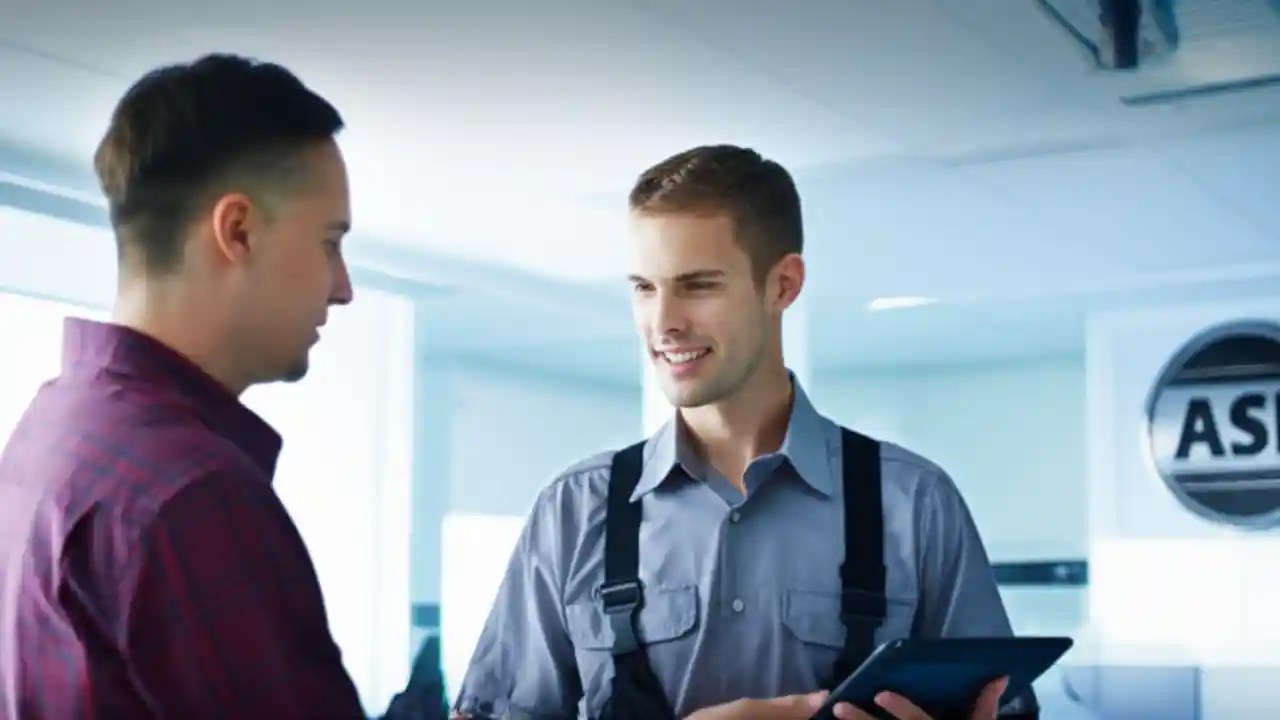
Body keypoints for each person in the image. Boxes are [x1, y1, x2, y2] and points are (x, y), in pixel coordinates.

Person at [452, 144, 1037, 720]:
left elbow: (1001, 708)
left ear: (783, 285)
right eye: (644, 287)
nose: (663, 322)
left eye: (698, 285)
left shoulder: (915, 505)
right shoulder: (574, 513)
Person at [0, 54, 441, 719]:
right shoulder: (192, 492)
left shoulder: (53, 428)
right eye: (329, 243)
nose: (343, 288)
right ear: (238, 231)